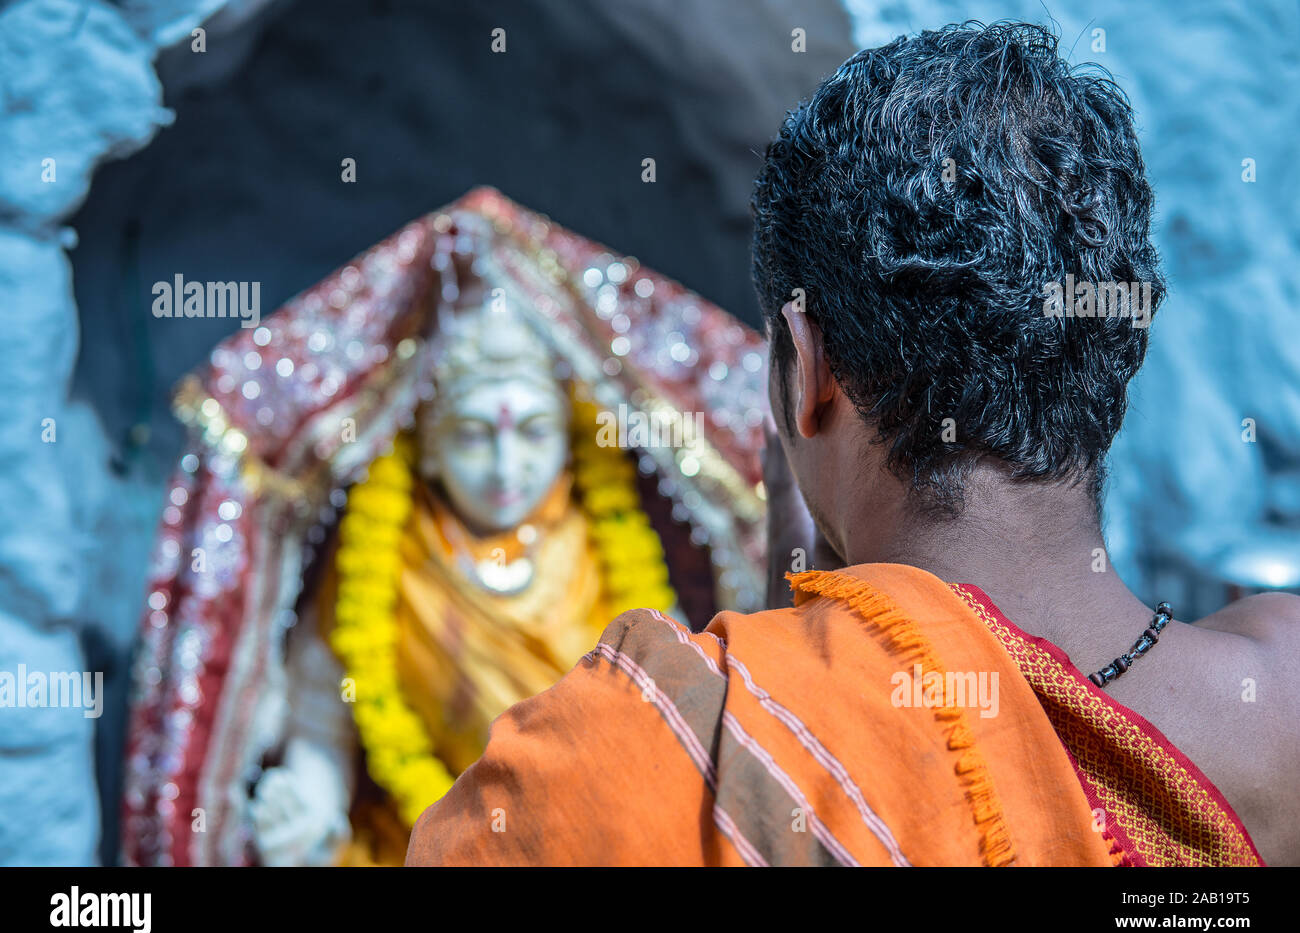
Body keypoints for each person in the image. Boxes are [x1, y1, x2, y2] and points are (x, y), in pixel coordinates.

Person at [407, 22, 1299, 867]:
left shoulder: (632, 748)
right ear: (1118, 348)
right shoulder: (1277, 696)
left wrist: (767, 693)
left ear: (808, 365)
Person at [120, 187, 768, 865]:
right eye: (473, 435)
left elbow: (668, 734)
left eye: (533, 434)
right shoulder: (379, 561)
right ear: (427, 442)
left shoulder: (606, 553)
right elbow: (324, 738)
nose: (505, 466)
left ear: (573, 439)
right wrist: (306, 807)